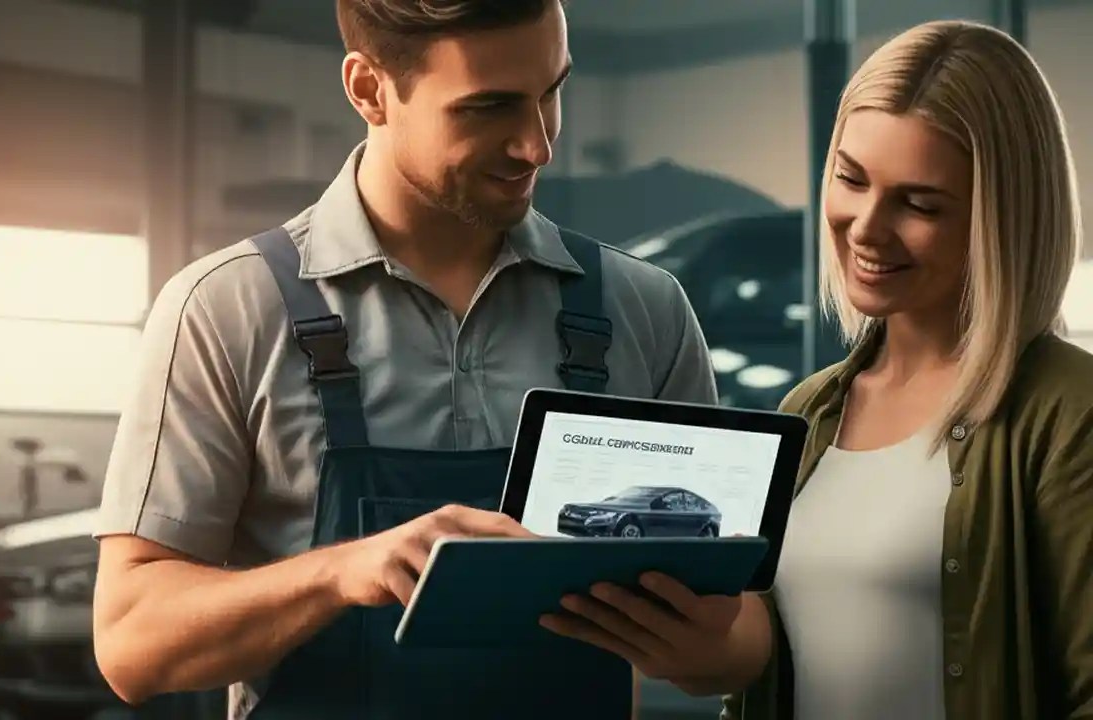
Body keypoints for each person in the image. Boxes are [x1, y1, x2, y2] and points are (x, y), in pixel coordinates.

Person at [90, 2, 729, 719]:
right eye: (488, 107)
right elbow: (132, 646)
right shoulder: (225, 310)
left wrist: (711, 633)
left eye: (551, 92)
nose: (537, 146)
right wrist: (340, 573)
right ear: (369, 90)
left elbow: (720, 656)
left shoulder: (644, 310)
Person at [702, 19, 1093, 720]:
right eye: (851, 179)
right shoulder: (806, 412)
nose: (866, 227)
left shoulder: (1070, 412)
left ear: (1005, 215)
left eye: (919, 204)